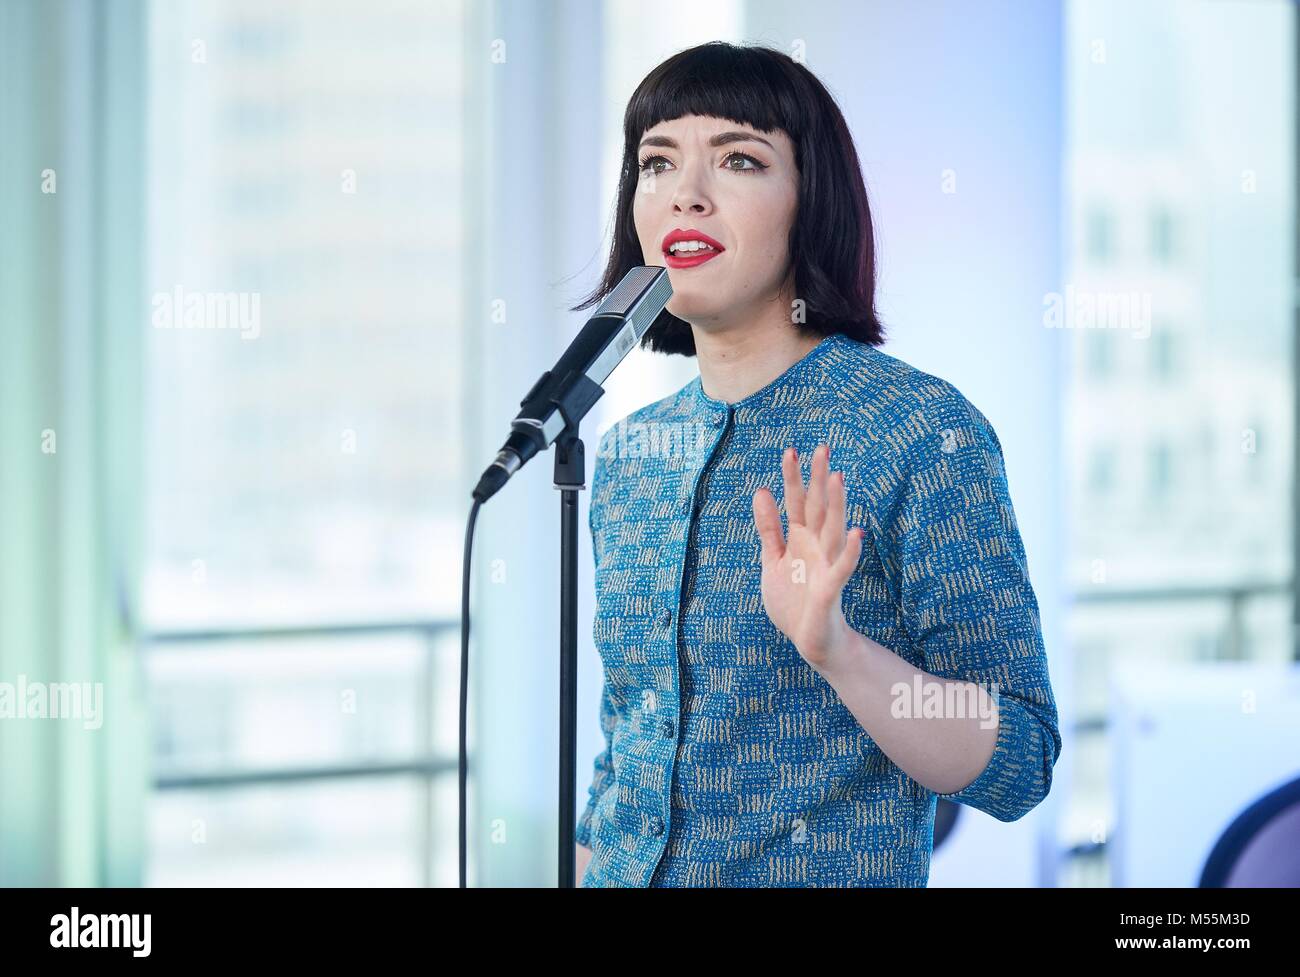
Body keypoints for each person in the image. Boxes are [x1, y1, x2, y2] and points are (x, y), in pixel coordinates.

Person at [571, 41, 1061, 887]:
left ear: (810, 202)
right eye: (657, 162)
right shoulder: (625, 460)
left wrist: (840, 651)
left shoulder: (922, 432)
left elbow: (1019, 761)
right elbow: (627, 766)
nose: (686, 192)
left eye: (739, 159)